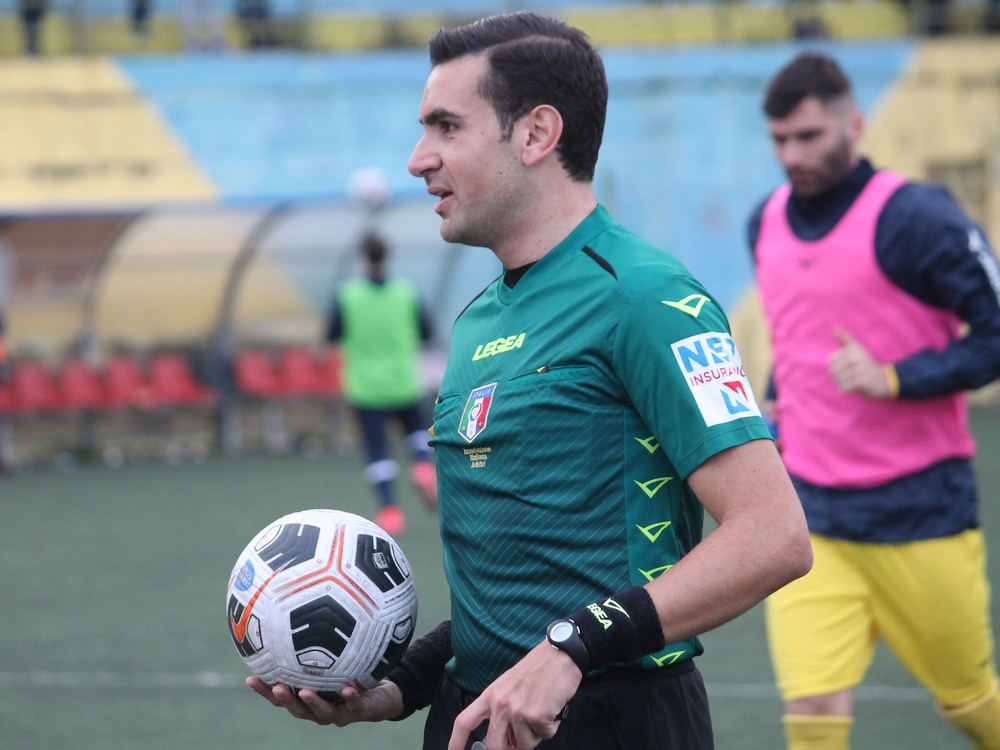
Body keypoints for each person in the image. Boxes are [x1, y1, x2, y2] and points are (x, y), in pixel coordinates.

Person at [249, 12, 812, 750]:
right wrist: (402, 686)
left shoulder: (646, 298)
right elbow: (519, 576)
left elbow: (774, 535)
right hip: (471, 718)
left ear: (536, 135)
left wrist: (573, 647)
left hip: (615, 719)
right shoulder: (480, 317)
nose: (419, 158)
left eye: (447, 127)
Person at [748, 51, 1000, 750]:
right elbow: (792, 337)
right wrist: (772, 400)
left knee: (973, 705)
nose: (792, 154)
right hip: (810, 523)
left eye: (809, 137)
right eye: (779, 139)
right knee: (813, 725)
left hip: (922, 510)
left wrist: (896, 377)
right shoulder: (762, 221)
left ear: (854, 125)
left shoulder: (918, 218)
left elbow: (994, 337)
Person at [325, 230, 438, 537]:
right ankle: (422, 466)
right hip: (403, 380)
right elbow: (427, 332)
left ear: (363, 258)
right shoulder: (406, 292)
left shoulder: (348, 295)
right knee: (416, 431)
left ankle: (390, 511)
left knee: (377, 450)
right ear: (388, 256)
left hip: (366, 386)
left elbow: (332, 335)